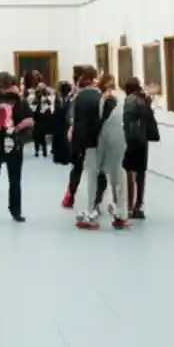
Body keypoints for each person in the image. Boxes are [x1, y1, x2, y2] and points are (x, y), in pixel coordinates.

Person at [0, 72, 34, 224]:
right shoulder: (19, 100)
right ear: (11, 83)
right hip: (13, 143)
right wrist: (16, 127)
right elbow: (29, 120)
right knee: (15, 178)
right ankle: (16, 212)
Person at [71, 66, 110, 229]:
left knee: (90, 174)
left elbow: (76, 121)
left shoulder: (79, 97)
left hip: (86, 142)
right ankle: (96, 204)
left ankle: (91, 206)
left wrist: (76, 142)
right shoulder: (101, 98)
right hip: (101, 141)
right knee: (101, 174)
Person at [121, 77, 159, 220]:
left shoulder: (130, 100)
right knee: (141, 173)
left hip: (132, 140)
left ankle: (129, 206)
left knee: (129, 172)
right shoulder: (144, 99)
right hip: (143, 140)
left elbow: (127, 121)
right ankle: (139, 205)